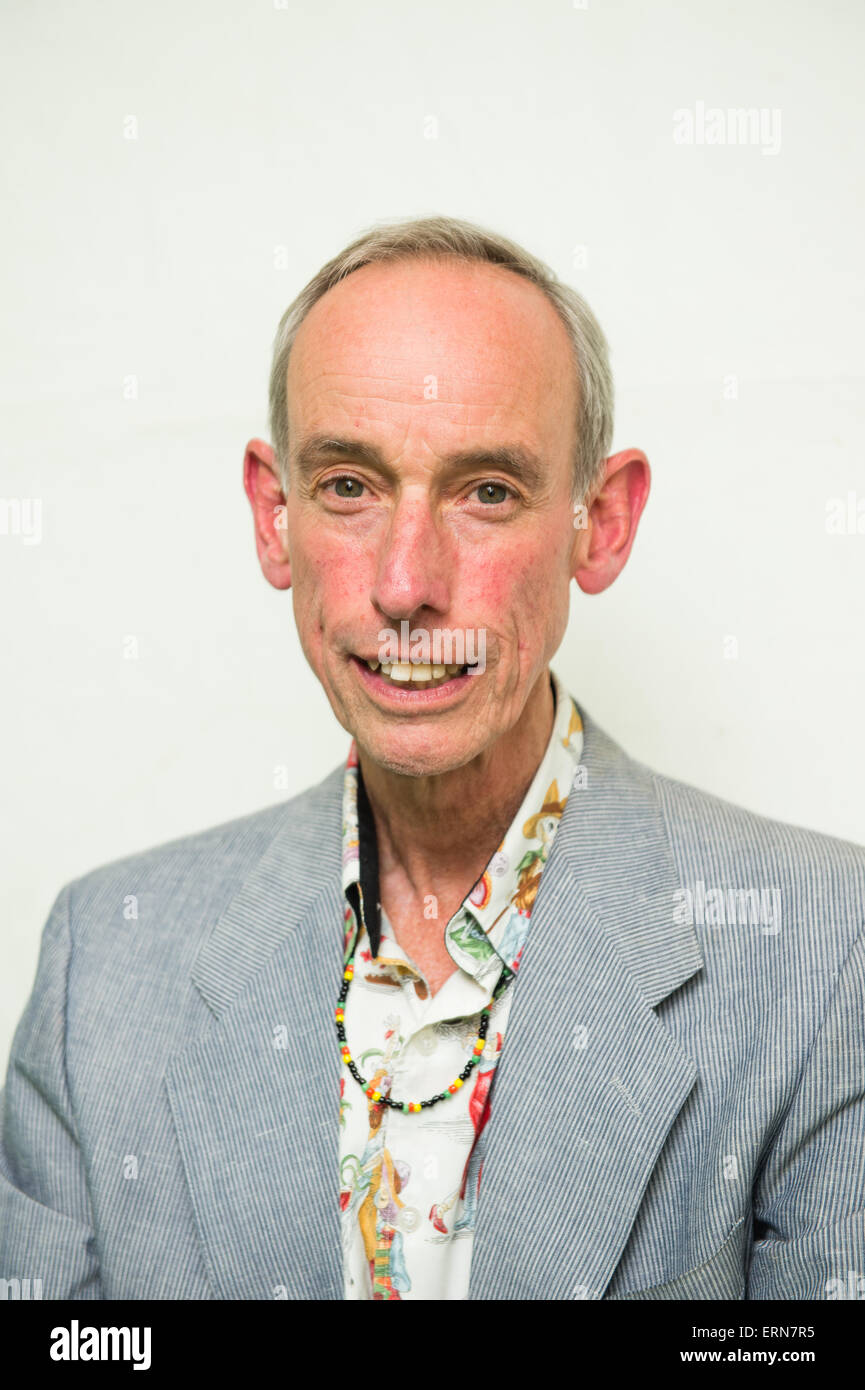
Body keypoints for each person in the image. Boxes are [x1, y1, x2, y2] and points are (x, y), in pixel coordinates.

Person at [2, 216, 863, 1301]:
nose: (407, 582)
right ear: (274, 516)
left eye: (486, 491)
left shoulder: (827, 953)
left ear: (600, 522)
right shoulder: (103, 970)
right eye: (350, 486)